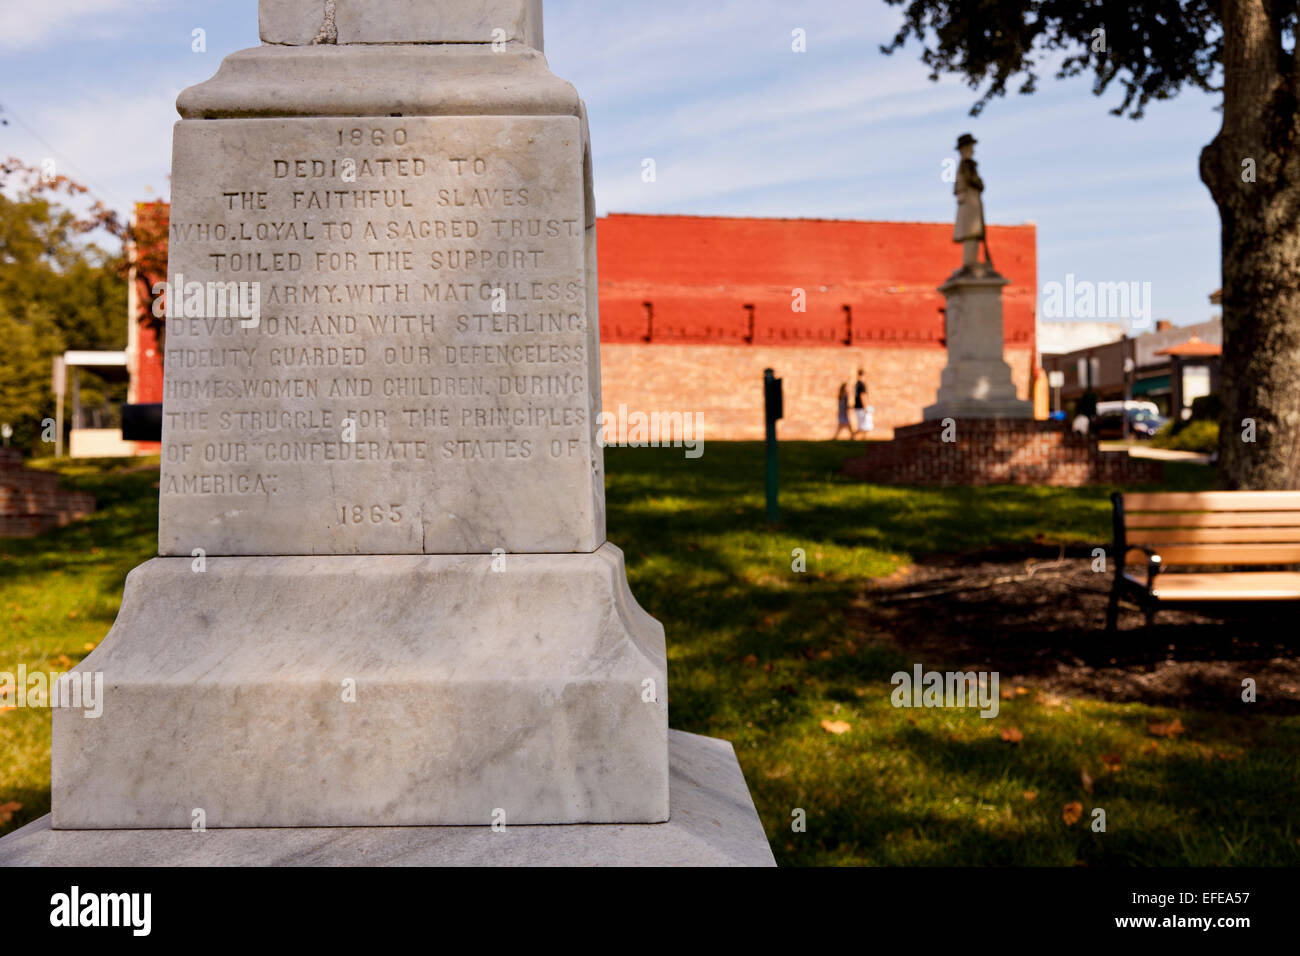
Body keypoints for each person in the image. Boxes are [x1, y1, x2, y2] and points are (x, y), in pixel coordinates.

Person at [853, 369, 870, 437]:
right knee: (865, 426)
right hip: (861, 407)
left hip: (857, 407)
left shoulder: (856, 384)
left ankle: (860, 438)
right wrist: (865, 407)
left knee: (862, 426)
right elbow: (862, 396)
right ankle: (855, 437)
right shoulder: (861, 385)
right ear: (863, 375)